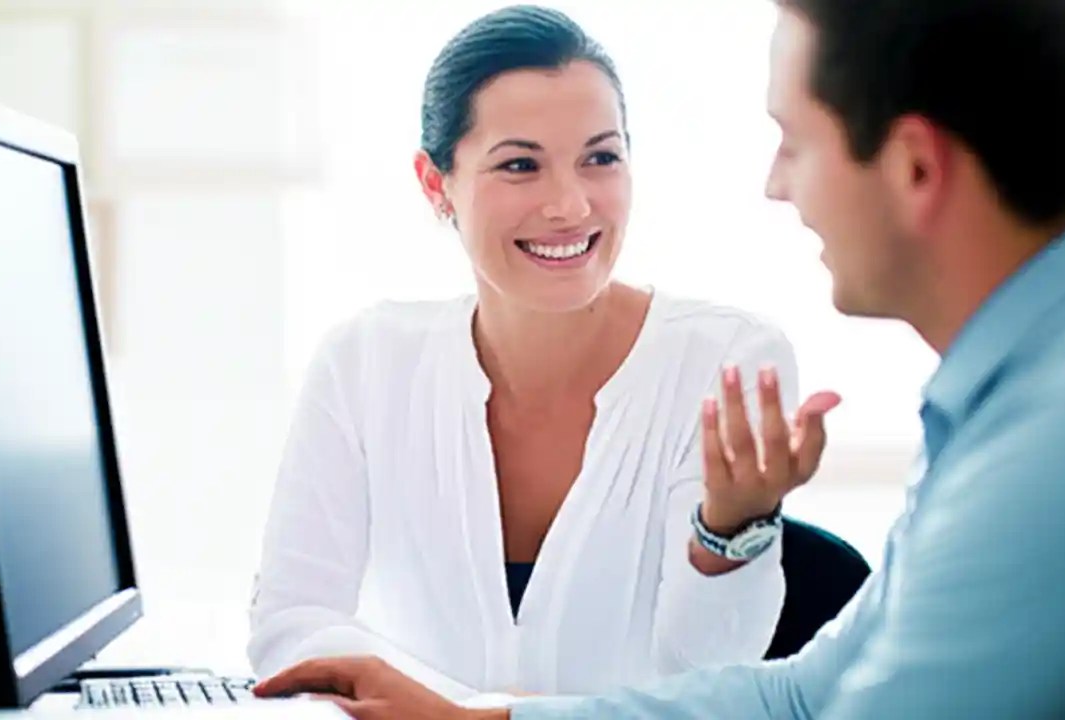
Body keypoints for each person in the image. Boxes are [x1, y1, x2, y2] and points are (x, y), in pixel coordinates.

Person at [252, 0, 1065, 717]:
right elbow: (803, 698)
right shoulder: (1042, 392)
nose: (774, 185)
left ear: (915, 168)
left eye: (795, 143)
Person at [247, 4, 843, 704]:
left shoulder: (728, 359)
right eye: (520, 165)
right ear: (436, 185)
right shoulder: (363, 365)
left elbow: (706, 677)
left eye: (600, 158)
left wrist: (728, 531)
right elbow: (290, 626)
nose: (570, 205)